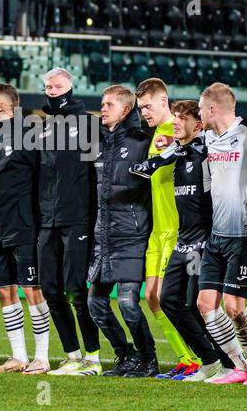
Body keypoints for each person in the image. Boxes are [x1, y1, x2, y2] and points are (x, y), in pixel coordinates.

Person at [129, 99, 226, 380]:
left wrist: (178, 141)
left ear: (198, 124)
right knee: (169, 300)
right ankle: (209, 361)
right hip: (183, 240)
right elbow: (143, 168)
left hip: (205, 239)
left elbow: (218, 138)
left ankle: (230, 361)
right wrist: (166, 146)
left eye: (182, 118)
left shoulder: (208, 150)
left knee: (200, 304)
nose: (175, 121)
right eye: (175, 117)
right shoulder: (177, 152)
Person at [195, 83, 247, 384]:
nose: (199, 113)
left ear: (212, 109)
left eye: (201, 108)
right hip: (217, 234)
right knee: (205, 304)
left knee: (234, 307)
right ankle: (240, 365)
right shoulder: (207, 138)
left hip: (244, 233)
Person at [0, 83, 52, 373]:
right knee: (5, 292)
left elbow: (43, 181)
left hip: (25, 227)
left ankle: (43, 357)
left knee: (33, 290)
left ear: (3, 105)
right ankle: (18, 356)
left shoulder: (29, 134)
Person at [89, 84, 158, 377]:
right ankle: (126, 356)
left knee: (129, 302)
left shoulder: (145, 141)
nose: (103, 108)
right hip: (103, 236)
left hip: (132, 235)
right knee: (95, 303)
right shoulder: (100, 142)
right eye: (102, 104)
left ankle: (148, 359)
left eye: (109, 104)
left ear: (126, 109)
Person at [38, 68, 104, 377]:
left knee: (77, 290)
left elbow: (98, 176)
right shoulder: (42, 129)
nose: (51, 91)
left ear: (70, 87)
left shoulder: (90, 124)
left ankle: (93, 358)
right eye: (48, 86)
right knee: (50, 290)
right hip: (47, 221)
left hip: (77, 220)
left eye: (57, 86)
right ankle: (72, 355)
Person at [133, 78, 196, 377]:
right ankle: (186, 358)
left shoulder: (179, 130)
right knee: (152, 297)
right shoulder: (156, 132)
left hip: (178, 228)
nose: (144, 112)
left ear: (164, 102)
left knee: (177, 299)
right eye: (140, 107)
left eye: (147, 106)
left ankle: (203, 358)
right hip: (158, 230)